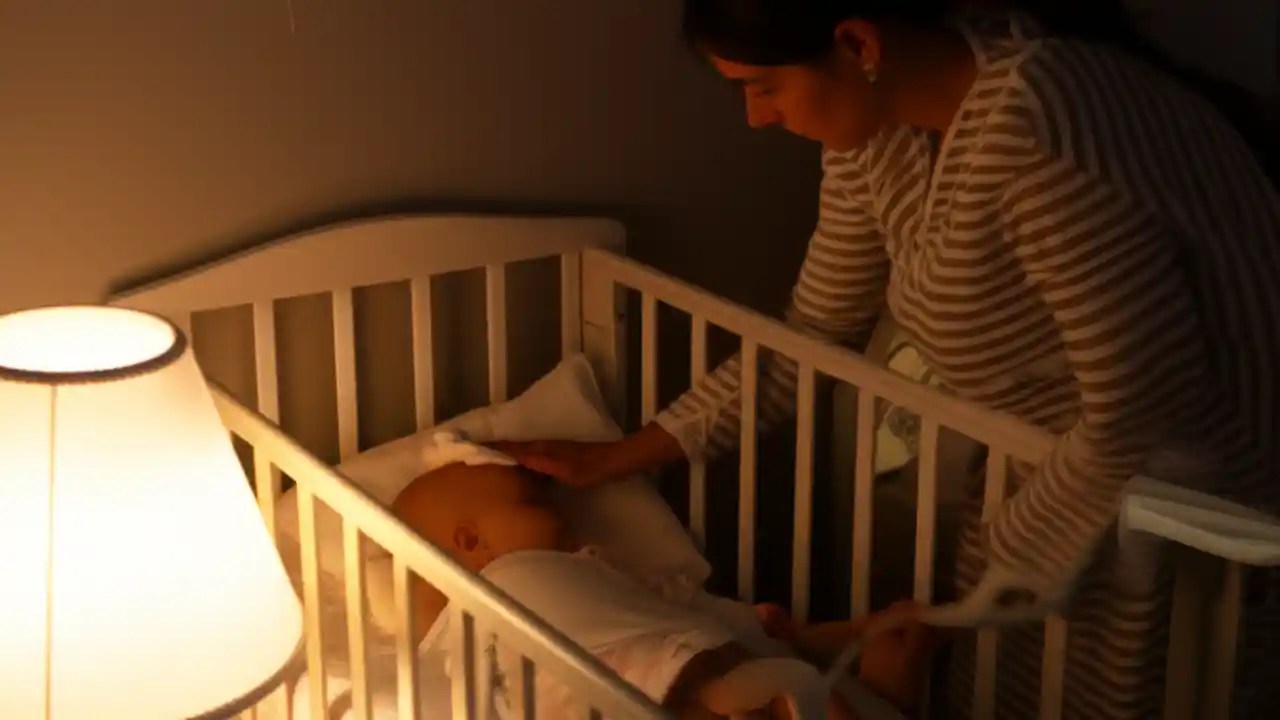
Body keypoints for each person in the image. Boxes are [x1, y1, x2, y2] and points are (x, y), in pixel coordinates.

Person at [493, 1, 1280, 718]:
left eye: (764, 87)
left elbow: (1143, 410)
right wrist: (621, 456)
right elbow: (811, 335)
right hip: (1051, 471)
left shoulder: (1042, 136)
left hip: (1176, 493)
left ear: (858, 44)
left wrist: (995, 571)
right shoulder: (879, 135)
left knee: (1136, 689)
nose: (758, 118)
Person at [391, 460, 940, 719]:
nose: (559, 512)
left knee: (772, 666)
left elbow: (672, 610)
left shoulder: (589, 579)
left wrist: (756, 620)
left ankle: (870, 677)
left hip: (686, 674)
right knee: (787, 689)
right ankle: (881, 696)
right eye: (532, 503)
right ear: (470, 540)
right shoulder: (499, 586)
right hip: (670, 684)